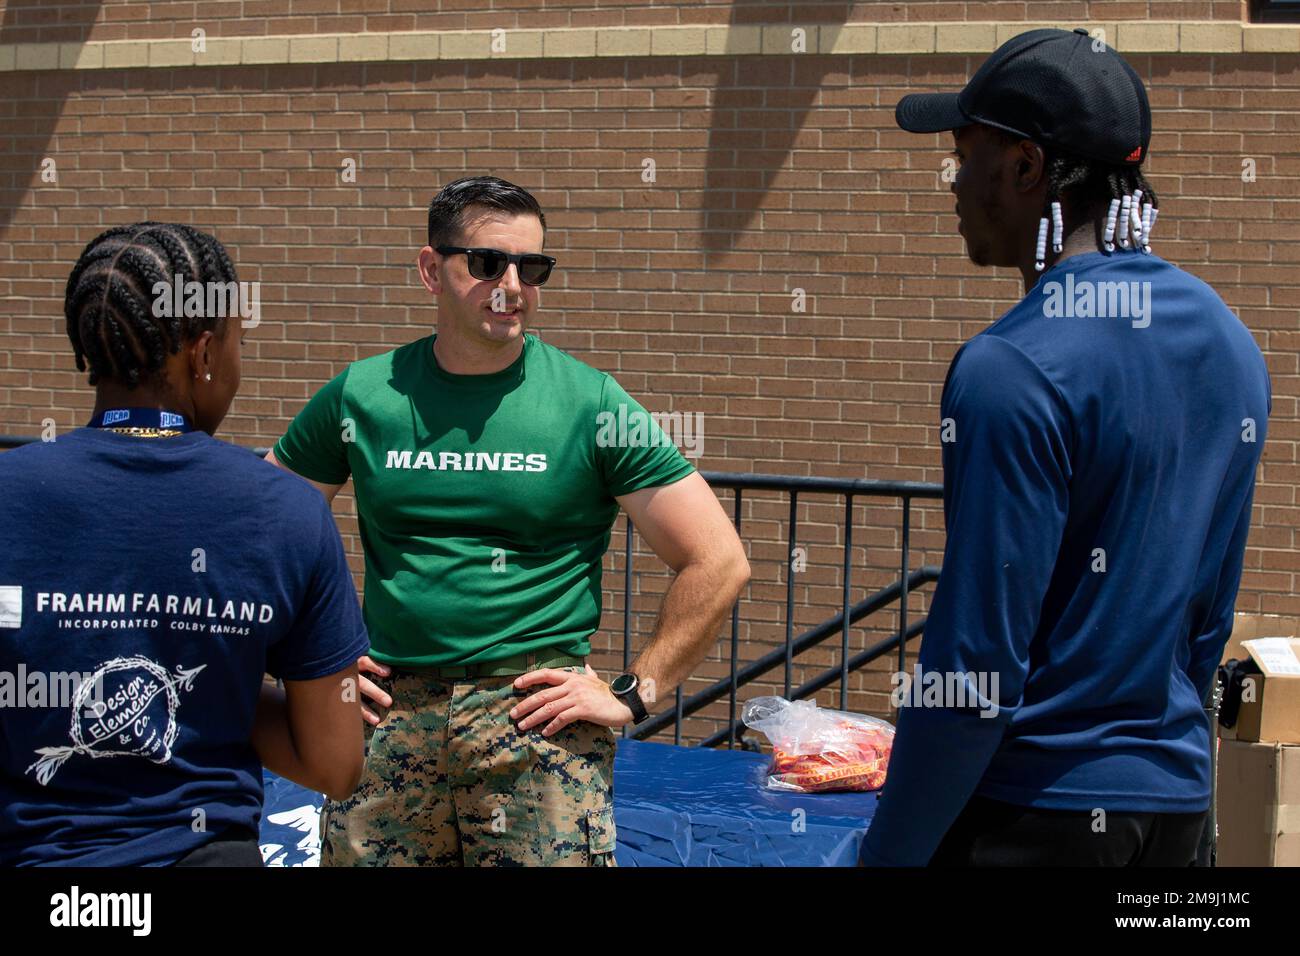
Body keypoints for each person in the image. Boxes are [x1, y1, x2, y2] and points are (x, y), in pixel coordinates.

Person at [859, 29, 1271, 866]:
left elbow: (977, 662)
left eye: (962, 156)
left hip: (1035, 812)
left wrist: (890, 852)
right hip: (1177, 808)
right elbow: (1209, 616)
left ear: (1024, 168)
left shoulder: (1010, 365)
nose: (953, 185)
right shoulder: (1231, 343)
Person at [266, 175, 750, 866]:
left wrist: (635, 692)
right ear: (432, 268)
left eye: (534, 267)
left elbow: (718, 560)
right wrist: (310, 657)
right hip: (387, 719)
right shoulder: (362, 395)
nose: (513, 284)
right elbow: (259, 537)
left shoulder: (591, 404)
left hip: (536, 725)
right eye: (489, 262)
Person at [0, 222, 369, 866]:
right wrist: (218, 677)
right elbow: (334, 765)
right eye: (236, 344)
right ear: (202, 354)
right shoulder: (285, 512)